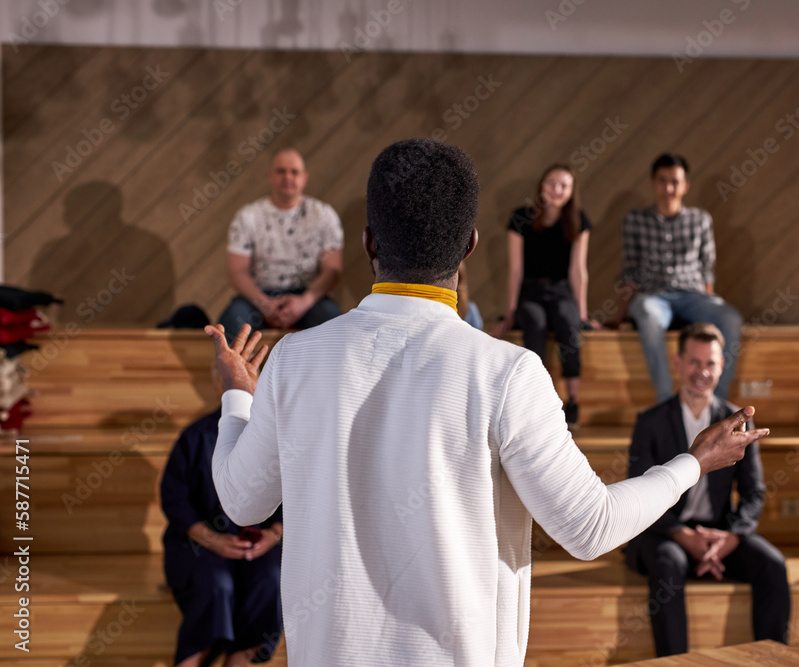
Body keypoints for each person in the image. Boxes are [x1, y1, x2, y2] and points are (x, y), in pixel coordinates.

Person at [205, 138, 767, 667]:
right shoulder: (507, 371)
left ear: (369, 242)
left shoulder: (294, 359)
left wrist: (238, 397)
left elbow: (241, 503)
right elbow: (590, 527)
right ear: (470, 244)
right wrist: (694, 462)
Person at [625, 322, 789, 656]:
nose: (702, 372)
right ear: (677, 363)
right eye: (694, 362)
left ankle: (773, 661)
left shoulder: (736, 421)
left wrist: (732, 537)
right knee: (668, 564)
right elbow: (638, 491)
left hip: (720, 533)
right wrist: (682, 535)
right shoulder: (650, 422)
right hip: (663, 533)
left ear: (721, 365)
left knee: (773, 564)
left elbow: (754, 493)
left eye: (710, 363)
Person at [160, 369, 283, 667]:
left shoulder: (279, 435)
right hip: (199, 543)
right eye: (228, 376)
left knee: (271, 579)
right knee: (217, 585)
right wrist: (211, 538)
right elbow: (174, 498)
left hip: (259, 545)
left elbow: (295, 495)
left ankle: (239, 660)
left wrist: (274, 534)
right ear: (218, 383)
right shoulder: (195, 436)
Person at [619, 153, 743, 403]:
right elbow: (630, 271)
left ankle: (717, 403)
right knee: (648, 314)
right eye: (662, 181)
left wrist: (710, 305)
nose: (668, 188)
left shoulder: (700, 220)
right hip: (653, 296)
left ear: (685, 186)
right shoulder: (635, 220)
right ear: (653, 183)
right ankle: (666, 401)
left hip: (693, 296)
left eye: (674, 182)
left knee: (731, 318)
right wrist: (622, 315)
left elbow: (707, 268)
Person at [492, 165, 596, 426]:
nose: (556, 190)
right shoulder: (521, 218)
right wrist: (510, 313)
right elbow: (515, 270)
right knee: (535, 323)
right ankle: (535, 400)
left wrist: (582, 314)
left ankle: (573, 400)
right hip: (530, 291)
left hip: (560, 290)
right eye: (551, 183)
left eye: (564, 185)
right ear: (541, 186)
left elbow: (578, 271)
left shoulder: (578, 220)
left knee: (568, 322)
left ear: (571, 192)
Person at [217, 148, 344, 342]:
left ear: (304, 178)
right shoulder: (248, 216)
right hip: (257, 296)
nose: (287, 177)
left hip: (308, 296)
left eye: (294, 172)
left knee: (334, 322)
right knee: (231, 323)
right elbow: (237, 271)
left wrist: (303, 302)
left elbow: (332, 270)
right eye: (281, 171)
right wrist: (264, 304)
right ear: (270, 175)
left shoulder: (324, 215)